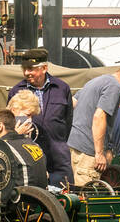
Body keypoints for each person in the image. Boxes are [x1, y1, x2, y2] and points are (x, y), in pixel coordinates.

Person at [67, 61, 120, 186]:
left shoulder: (96, 81)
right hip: (88, 151)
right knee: (89, 198)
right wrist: (99, 153)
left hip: (75, 147)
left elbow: (73, 103)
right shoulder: (114, 86)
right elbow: (99, 117)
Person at [9, 48, 74, 188]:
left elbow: (68, 122)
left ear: (44, 68)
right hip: (30, 158)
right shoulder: (16, 91)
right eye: (24, 69)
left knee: (66, 199)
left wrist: (58, 142)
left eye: (31, 69)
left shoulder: (62, 88)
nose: (27, 73)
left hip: (59, 160)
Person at [0, 107, 47, 187]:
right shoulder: (33, 144)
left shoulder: (4, 147)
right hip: (43, 196)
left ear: (0, 127)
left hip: (23, 196)